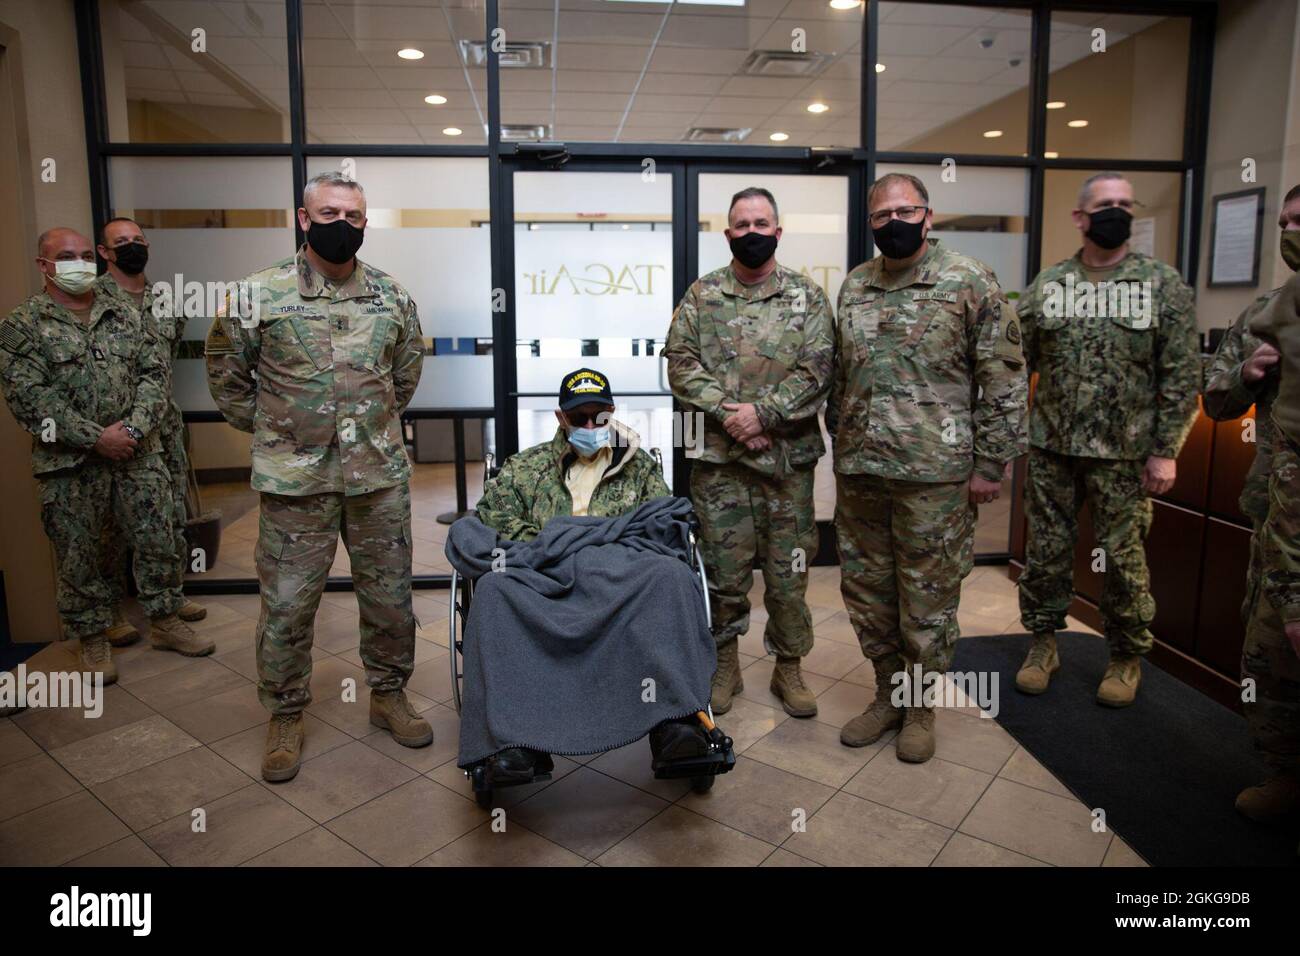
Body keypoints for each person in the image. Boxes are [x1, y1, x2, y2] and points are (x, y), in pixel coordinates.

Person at [205, 171, 428, 783]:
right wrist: (281, 431)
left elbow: (404, 374)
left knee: (390, 597)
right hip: (294, 482)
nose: (341, 225)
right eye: (328, 213)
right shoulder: (259, 294)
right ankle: (284, 712)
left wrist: (366, 427)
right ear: (303, 219)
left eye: (353, 216)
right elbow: (227, 377)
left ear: (364, 222)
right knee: (287, 604)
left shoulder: (390, 295)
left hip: (377, 477)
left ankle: (388, 694)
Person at [829, 172, 1027, 763]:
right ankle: (887, 694)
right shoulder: (856, 285)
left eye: (904, 210)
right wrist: (842, 437)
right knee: (867, 593)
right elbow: (842, 376)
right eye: (881, 214)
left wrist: (989, 464)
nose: (893, 221)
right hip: (862, 472)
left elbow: (1005, 378)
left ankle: (920, 707)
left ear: (927, 215)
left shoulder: (969, 280)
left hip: (935, 478)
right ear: (870, 223)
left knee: (927, 598)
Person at [1015, 172, 1199, 707]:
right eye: (1105, 204)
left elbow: (1181, 375)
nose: (1116, 212)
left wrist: (1166, 450)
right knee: (1047, 553)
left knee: (1122, 559)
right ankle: (1042, 643)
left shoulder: (1161, 284)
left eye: (1124, 204)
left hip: (1125, 455)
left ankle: (1125, 655)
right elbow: (1011, 358)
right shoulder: (1050, 285)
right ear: (1080, 217)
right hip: (1052, 448)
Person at [472, 368, 708, 780]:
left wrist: (592, 547)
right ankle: (516, 739)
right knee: (493, 588)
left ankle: (676, 722)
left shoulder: (640, 470)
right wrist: (564, 544)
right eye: (578, 417)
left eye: (597, 416)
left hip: (620, 580)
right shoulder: (524, 470)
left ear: (611, 413)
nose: (588, 425)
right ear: (560, 418)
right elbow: (495, 519)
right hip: (545, 580)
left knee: (670, 574)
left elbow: (661, 524)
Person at [0, 227, 210, 685]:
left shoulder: (123, 315)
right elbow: (30, 399)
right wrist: (97, 438)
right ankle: (93, 634)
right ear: (44, 266)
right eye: (66, 256)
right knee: (80, 550)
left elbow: (155, 375)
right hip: (70, 464)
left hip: (140, 451)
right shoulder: (23, 326)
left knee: (158, 535)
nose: (77, 263)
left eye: (81, 256)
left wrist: (131, 429)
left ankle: (165, 620)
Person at [666, 186, 834, 718]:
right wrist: (731, 414)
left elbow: (819, 369)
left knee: (790, 573)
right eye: (743, 224)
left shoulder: (807, 296)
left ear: (778, 232)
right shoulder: (702, 295)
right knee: (722, 571)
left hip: (786, 466)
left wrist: (763, 415)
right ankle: (725, 664)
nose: (753, 232)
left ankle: (790, 668)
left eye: (763, 223)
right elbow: (679, 363)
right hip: (719, 467)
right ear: (728, 234)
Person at [1204, 184, 1300, 823]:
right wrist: (1247, 374)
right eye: (1288, 221)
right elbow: (1215, 401)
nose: (1293, 231)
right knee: (1269, 648)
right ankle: (1285, 775)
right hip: (1276, 517)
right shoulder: (1267, 312)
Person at [94, 216, 206, 645]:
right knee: (108, 526)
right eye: (121, 242)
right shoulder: (93, 299)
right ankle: (109, 613)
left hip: (163, 426)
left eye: (138, 240)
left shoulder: (163, 299)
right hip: (113, 428)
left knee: (167, 516)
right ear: (104, 253)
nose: (132, 247)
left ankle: (167, 601)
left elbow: (168, 355)